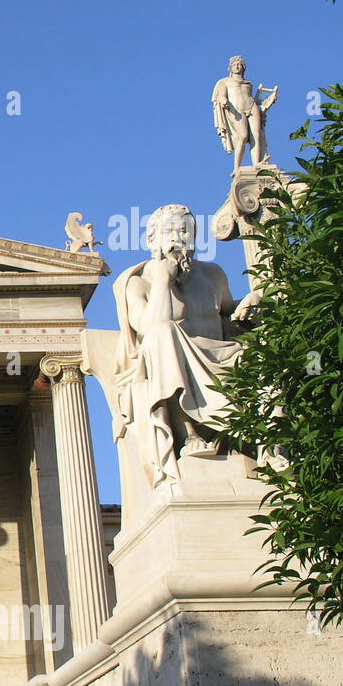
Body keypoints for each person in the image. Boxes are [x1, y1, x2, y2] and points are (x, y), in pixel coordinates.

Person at [111, 204, 243, 485]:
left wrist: (251, 304)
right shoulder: (139, 283)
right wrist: (162, 279)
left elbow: (231, 316)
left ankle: (268, 447)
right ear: (152, 241)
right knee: (162, 334)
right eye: (169, 231)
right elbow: (149, 328)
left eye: (185, 231)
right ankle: (187, 433)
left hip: (220, 355)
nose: (178, 239)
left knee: (259, 350)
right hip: (170, 357)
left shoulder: (213, 275)